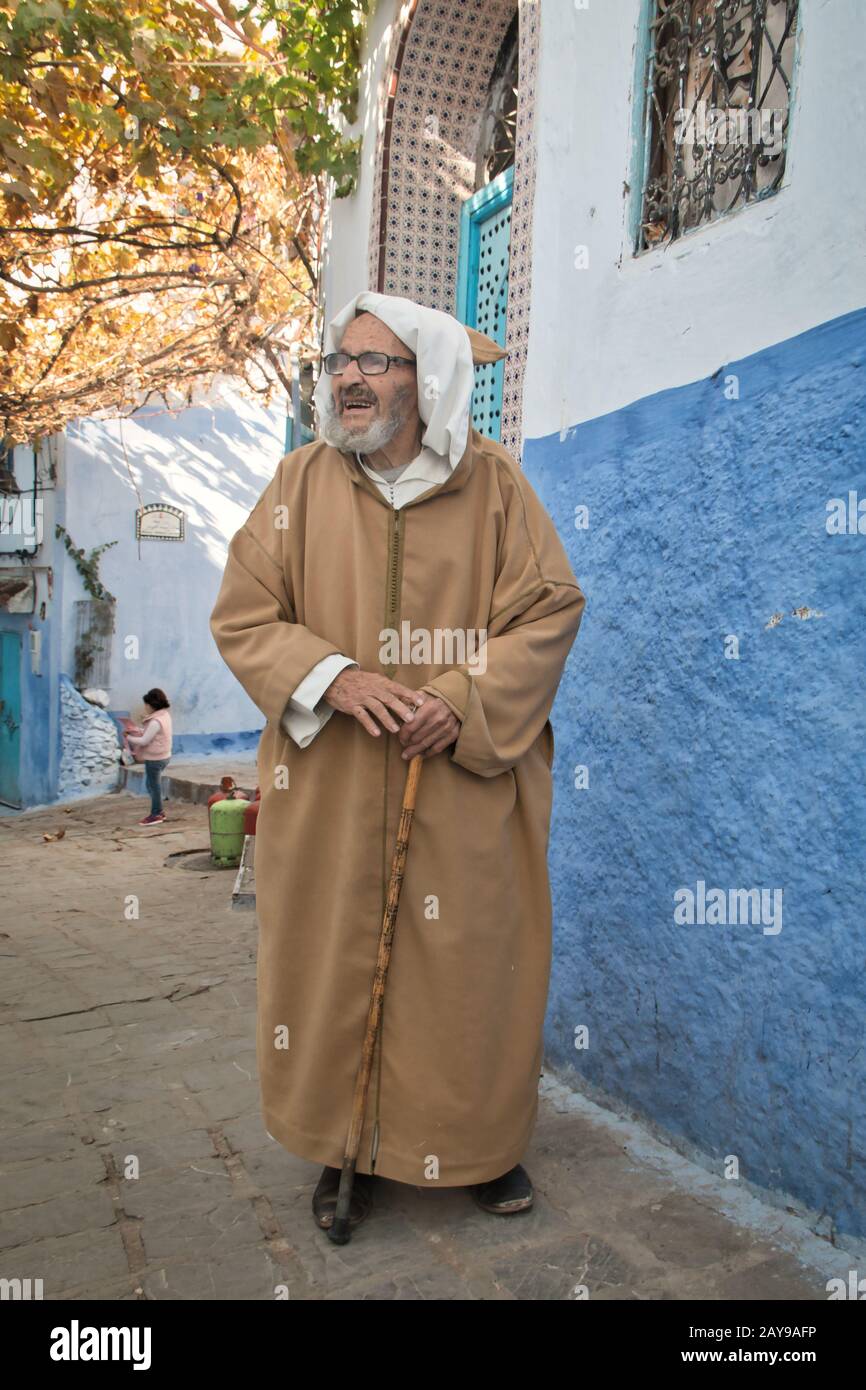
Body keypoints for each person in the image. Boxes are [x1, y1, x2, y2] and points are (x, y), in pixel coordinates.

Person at [209, 292, 585, 1232]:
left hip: (462, 790)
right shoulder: (299, 486)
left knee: (470, 966)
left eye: (376, 363)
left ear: (429, 381)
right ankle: (347, 1149)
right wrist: (330, 678)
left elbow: (549, 610)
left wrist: (457, 704)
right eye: (341, 362)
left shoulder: (495, 487)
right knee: (330, 963)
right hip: (331, 786)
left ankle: (479, 1147)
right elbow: (246, 615)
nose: (349, 379)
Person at [126, 688, 173, 827]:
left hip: (155, 759)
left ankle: (156, 813)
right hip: (163, 755)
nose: (145, 707)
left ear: (152, 704)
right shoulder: (164, 715)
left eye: (146, 704)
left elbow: (144, 741)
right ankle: (158, 811)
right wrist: (136, 731)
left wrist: (128, 737)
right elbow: (151, 734)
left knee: (154, 786)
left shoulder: (155, 721)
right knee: (152, 785)